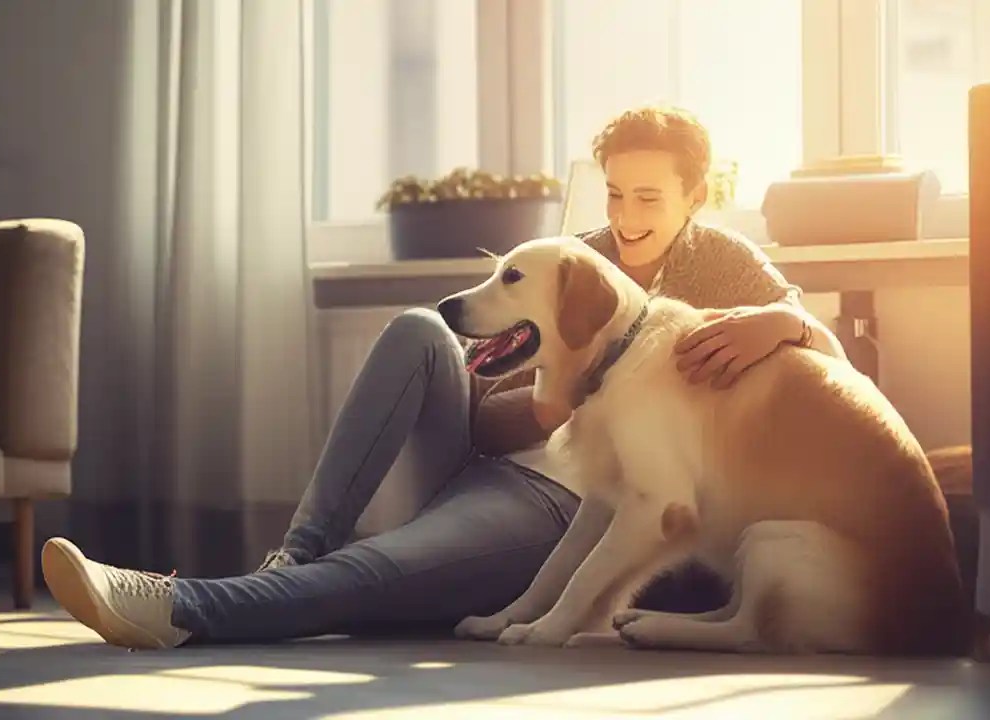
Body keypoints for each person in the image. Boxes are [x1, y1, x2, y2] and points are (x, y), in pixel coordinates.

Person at [41, 105, 848, 650]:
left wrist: (790, 320)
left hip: (564, 503)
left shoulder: (727, 268)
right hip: (506, 459)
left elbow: (837, 376)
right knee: (418, 329)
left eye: (649, 197)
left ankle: (178, 609)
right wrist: (553, 401)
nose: (627, 216)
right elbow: (488, 420)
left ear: (695, 197)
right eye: (614, 193)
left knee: (377, 573)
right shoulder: (578, 259)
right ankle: (293, 558)